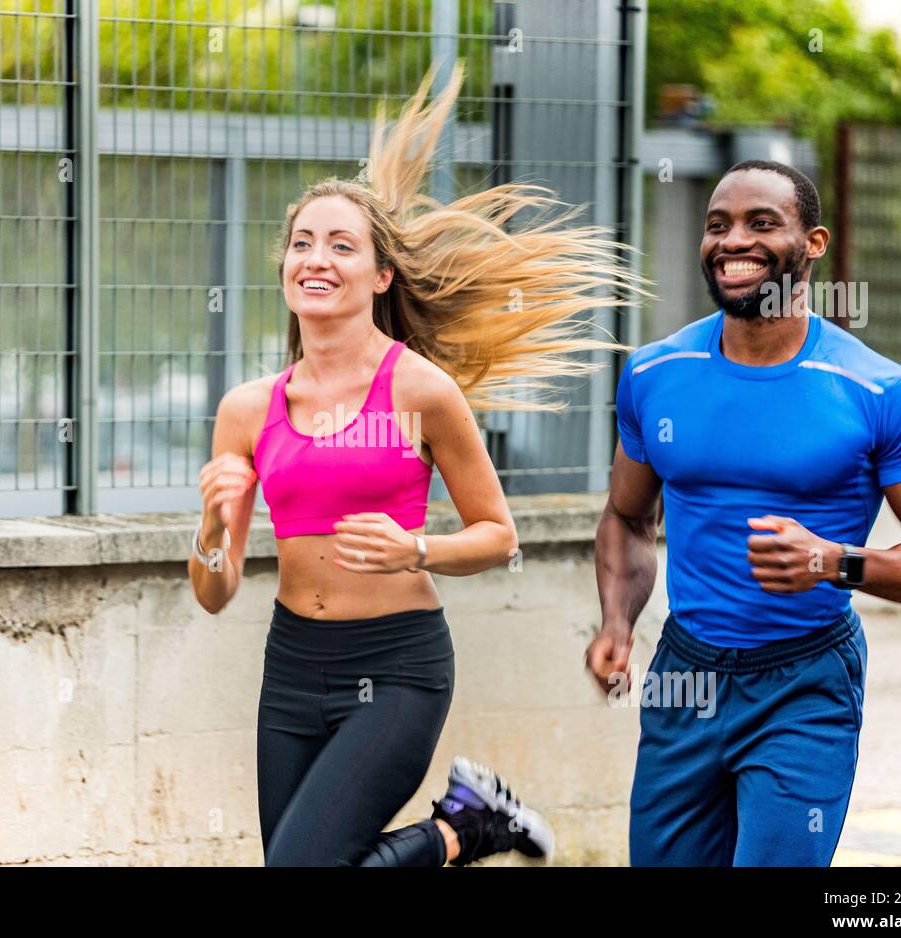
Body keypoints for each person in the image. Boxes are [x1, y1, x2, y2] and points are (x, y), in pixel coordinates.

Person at [188, 59, 640, 866]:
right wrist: (214, 527)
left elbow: (499, 535)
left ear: (381, 274)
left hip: (397, 664)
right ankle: (472, 820)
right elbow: (216, 594)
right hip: (291, 667)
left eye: (340, 245)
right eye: (301, 243)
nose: (315, 258)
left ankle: (462, 829)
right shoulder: (247, 409)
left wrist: (417, 549)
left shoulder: (420, 390)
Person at [588, 159, 901, 866]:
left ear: (815, 243)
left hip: (805, 681)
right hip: (688, 675)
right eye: (718, 225)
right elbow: (625, 517)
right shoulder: (655, 373)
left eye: (761, 223)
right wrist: (616, 620)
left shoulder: (876, 389)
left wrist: (837, 563)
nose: (732, 240)